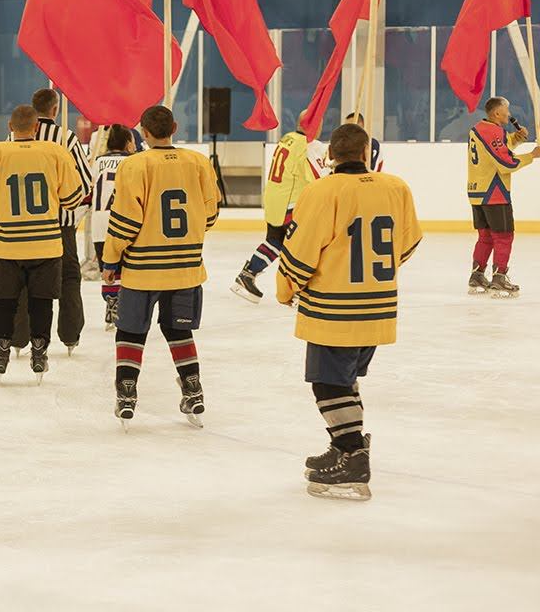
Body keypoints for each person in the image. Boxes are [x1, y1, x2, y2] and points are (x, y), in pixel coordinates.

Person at [276, 123, 422, 501]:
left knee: (327, 382)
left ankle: (353, 454)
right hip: (378, 306)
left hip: (333, 307)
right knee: (344, 380)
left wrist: (286, 287)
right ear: (364, 153)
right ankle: (343, 447)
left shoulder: (322, 190)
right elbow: (408, 242)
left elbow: (302, 251)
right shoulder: (396, 187)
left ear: (331, 157)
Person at [103, 106, 220, 429]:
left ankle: (126, 391)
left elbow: (125, 220)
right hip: (186, 267)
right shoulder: (198, 162)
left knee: (130, 330)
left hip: (143, 268)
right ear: (175, 127)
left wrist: (111, 259)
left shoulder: (135, 165)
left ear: (143, 132)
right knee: (178, 328)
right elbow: (210, 215)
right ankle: (193, 388)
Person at [0, 105, 84, 383]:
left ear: (10, 127)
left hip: (8, 245)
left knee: (4, 302)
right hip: (47, 244)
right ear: (35, 128)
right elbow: (73, 198)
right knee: (42, 301)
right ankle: (39, 351)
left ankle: (1, 351)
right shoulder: (55, 153)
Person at [8, 88, 94, 355]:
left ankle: (19, 338)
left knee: (22, 279)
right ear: (55, 110)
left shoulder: (13, 139)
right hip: (61, 225)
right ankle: (70, 335)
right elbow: (86, 180)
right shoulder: (64, 137)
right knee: (68, 277)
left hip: (22, 225)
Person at [232, 111, 329, 304]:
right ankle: (300, 287)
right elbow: (320, 178)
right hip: (291, 204)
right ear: (314, 125)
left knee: (275, 240)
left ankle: (248, 274)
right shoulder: (307, 146)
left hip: (275, 199)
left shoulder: (288, 139)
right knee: (307, 244)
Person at [466, 97, 534, 297]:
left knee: (485, 236)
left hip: (477, 191)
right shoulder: (493, 131)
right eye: (506, 110)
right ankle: (499, 278)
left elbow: (495, 149)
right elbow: (506, 163)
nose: (509, 114)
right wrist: (533, 155)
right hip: (494, 192)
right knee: (504, 236)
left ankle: (477, 275)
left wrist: (515, 139)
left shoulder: (479, 129)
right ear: (496, 113)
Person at [90, 124, 137, 329]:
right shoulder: (132, 162)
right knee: (125, 270)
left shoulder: (98, 161)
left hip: (99, 224)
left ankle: (111, 304)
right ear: (128, 143)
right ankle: (123, 307)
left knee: (107, 269)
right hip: (122, 222)